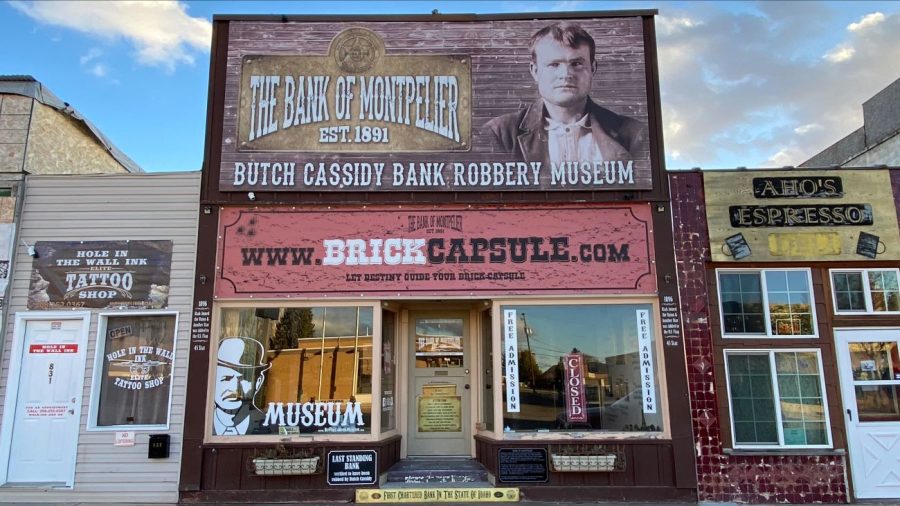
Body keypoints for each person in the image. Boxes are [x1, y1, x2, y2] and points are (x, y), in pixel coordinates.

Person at [485, 22, 646, 166]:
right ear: (535, 71)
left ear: (593, 68)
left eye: (576, 63)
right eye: (554, 64)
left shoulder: (635, 134)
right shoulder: (500, 133)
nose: (566, 74)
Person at [213, 336, 271, 435]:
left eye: (244, 379)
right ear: (213, 379)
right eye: (226, 378)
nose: (234, 388)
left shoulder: (266, 425)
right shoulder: (201, 422)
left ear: (258, 382)